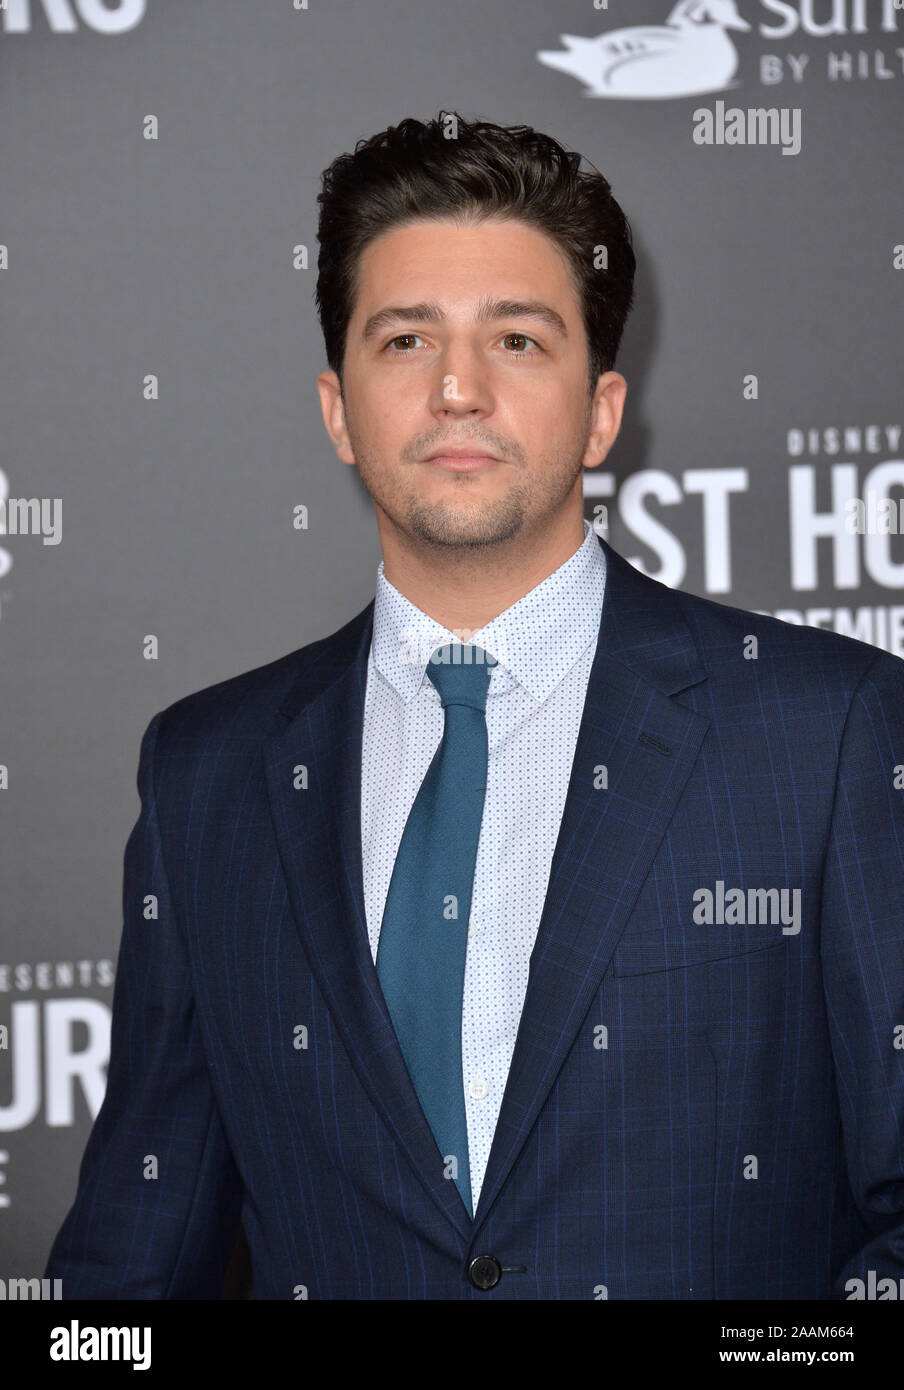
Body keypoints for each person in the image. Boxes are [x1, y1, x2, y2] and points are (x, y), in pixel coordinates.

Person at [46, 112, 904, 1300]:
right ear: (337, 409)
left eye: (515, 338)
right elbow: (132, 1266)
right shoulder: (208, 774)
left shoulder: (827, 731)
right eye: (404, 341)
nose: (457, 388)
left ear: (603, 411)